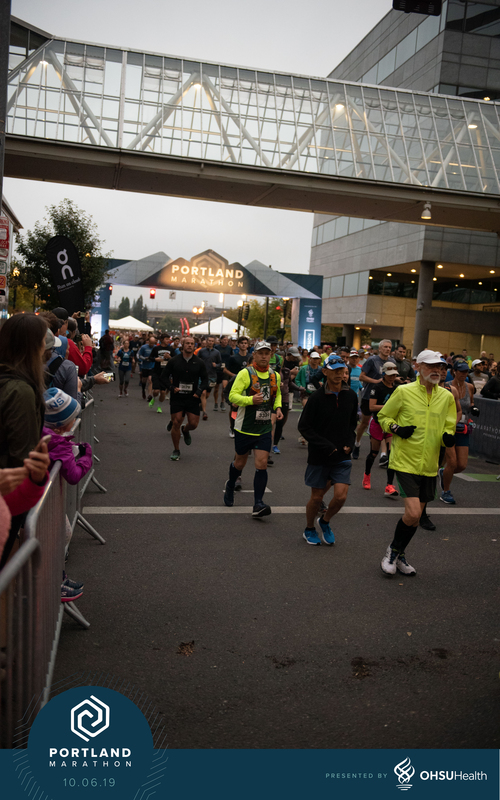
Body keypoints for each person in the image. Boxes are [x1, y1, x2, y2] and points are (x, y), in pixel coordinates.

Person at [377, 349, 457, 576]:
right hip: (405, 462)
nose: (436, 370)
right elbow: (384, 417)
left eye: (439, 367)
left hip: (431, 465)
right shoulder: (403, 392)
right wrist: (396, 429)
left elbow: (449, 424)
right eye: (430, 366)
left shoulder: (446, 397)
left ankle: (400, 554)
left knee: (416, 517)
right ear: (418, 367)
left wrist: (448, 435)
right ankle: (392, 552)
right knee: (412, 514)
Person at [0, 313, 50, 568]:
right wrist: (37, 475)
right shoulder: (20, 390)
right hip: (8, 495)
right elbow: (21, 455)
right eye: (43, 341)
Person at [297, 353, 358, 545]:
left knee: (340, 496)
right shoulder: (316, 398)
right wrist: (326, 446)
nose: (340, 374)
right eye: (335, 371)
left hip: (342, 455)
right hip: (320, 455)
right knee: (317, 497)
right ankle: (309, 528)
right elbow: (304, 427)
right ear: (325, 372)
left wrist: (350, 441)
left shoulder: (351, 396)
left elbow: (351, 424)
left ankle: (325, 521)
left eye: (342, 370)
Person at [223, 341, 282, 517]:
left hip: (263, 429)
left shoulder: (275, 376)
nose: (264, 356)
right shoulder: (245, 374)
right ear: (254, 355)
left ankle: (258, 504)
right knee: (240, 462)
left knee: (261, 463)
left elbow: (276, 394)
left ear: (270, 355)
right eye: (260, 353)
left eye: (267, 353)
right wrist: (250, 400)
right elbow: (233, 396)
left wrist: (277, 408)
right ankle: (230, 484)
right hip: (244, 427)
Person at [162, 336, 208, 461]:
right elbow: (164, 377)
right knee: (176, 422)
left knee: (193, 424)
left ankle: (185, 430)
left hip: (193, 397)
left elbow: (205, 380)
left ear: (194, 346)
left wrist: (199, 391)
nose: (189, 345)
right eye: (187, 343)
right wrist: (171, 388)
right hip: (178, 396)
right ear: (182, 345)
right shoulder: (174, 361)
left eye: (192, 344)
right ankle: (176, 450)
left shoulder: (199, 362)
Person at [439, 360, 479, 505]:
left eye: (466, 372)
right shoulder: (448, 387)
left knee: (461, 465)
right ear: (454, 372)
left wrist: (474, 408)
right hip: (449, 428)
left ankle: (444, 473)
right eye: (461, 371)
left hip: (463, 428)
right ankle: (446, 491)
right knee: (452, 462)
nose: (464, 374)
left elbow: (470, 403)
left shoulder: (469, 387)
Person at [353, 339, 396, 460]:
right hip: (369, 395)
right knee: (365, 423)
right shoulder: (372, 360)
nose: (388, 349)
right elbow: (362, 376)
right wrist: (376, 381)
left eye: (389, 347)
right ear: (380, 348)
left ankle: (383, 454)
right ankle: (357, 443)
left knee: (381, 422)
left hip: (383, 397)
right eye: (386, 347)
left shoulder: (392, 361)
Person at [362, 361, 399, 497]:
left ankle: (389, 485)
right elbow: (372, 407)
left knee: (391, 456)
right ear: (383, 373)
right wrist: (388, 407)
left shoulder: (397, 388)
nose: (392, 377)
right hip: (377, 423)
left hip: (390, 424)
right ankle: (367, 475)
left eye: (394, 375)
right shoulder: (376, 388)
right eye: (389, 375)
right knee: (374, 453)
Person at [273, 346, 300, 453]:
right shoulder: (271, 371)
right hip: (272, 397)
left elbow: (289, 382)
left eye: (282, 358)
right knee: (270, 421)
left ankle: (275, 445)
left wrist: (300, 388)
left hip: (284, 397)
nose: (281, 360)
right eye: (279, 358)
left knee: (280, 421)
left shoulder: (286, 371)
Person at [224, 336, 250, 438]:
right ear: (238, 345)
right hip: (235, 384)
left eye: (245, 343)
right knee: (234, 407)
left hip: (247, 384)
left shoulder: (250, 357)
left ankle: (243, 427)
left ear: (248, 345)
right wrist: (235, 376)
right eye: (242, 343)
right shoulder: (233, 358)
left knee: (246, 407)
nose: (243, 345)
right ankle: (232, 427)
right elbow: (225, 370)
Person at [198, 335, 222, 420]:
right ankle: (204, 412)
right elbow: (196, 361)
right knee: (203, 393)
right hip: (202, 375)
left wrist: (217, 365)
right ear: (206, 341)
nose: (210, 342)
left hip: (212, 376)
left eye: (212, 341)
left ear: (214, 342)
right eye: (209, 341)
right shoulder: (201, 351)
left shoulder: (216, 352)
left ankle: (201, 404)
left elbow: (220, 364)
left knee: (207, 394)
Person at [149, 333, 171, 412]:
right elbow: (150, 358)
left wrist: (170, 358)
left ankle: (159, 407)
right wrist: (155, 359)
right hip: (156, 372)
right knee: (156, 391)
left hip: (165, 373)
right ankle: (154, 399)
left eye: (169, 339)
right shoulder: (156, 348)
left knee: (163, 392)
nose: (168, 341)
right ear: (162, 340)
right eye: (166, 339)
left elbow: (175, 359)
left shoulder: (170, 349)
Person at [214, 335, 232, 412]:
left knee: (224, 387)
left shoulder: (229, 348)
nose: (225, 341)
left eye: (226, 340)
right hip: (218, 369)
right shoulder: (216, 347)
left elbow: (231, 358)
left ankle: (222, 402)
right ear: (220, 340)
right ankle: (215, 403)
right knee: (216, 387)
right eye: (224, 340)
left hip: (226, 369)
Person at [137, 334, 157, 401]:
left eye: (153, 343)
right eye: (151, 343)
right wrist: (145, 358)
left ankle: (149, 395)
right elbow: (139, 355)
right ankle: (143, 390)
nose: (152, 344)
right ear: (148, 342)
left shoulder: (155, 348)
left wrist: (154, 359)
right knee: (144, 380)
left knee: (150, 380)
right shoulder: (144, 347)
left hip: (152, 366)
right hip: (145, 366)